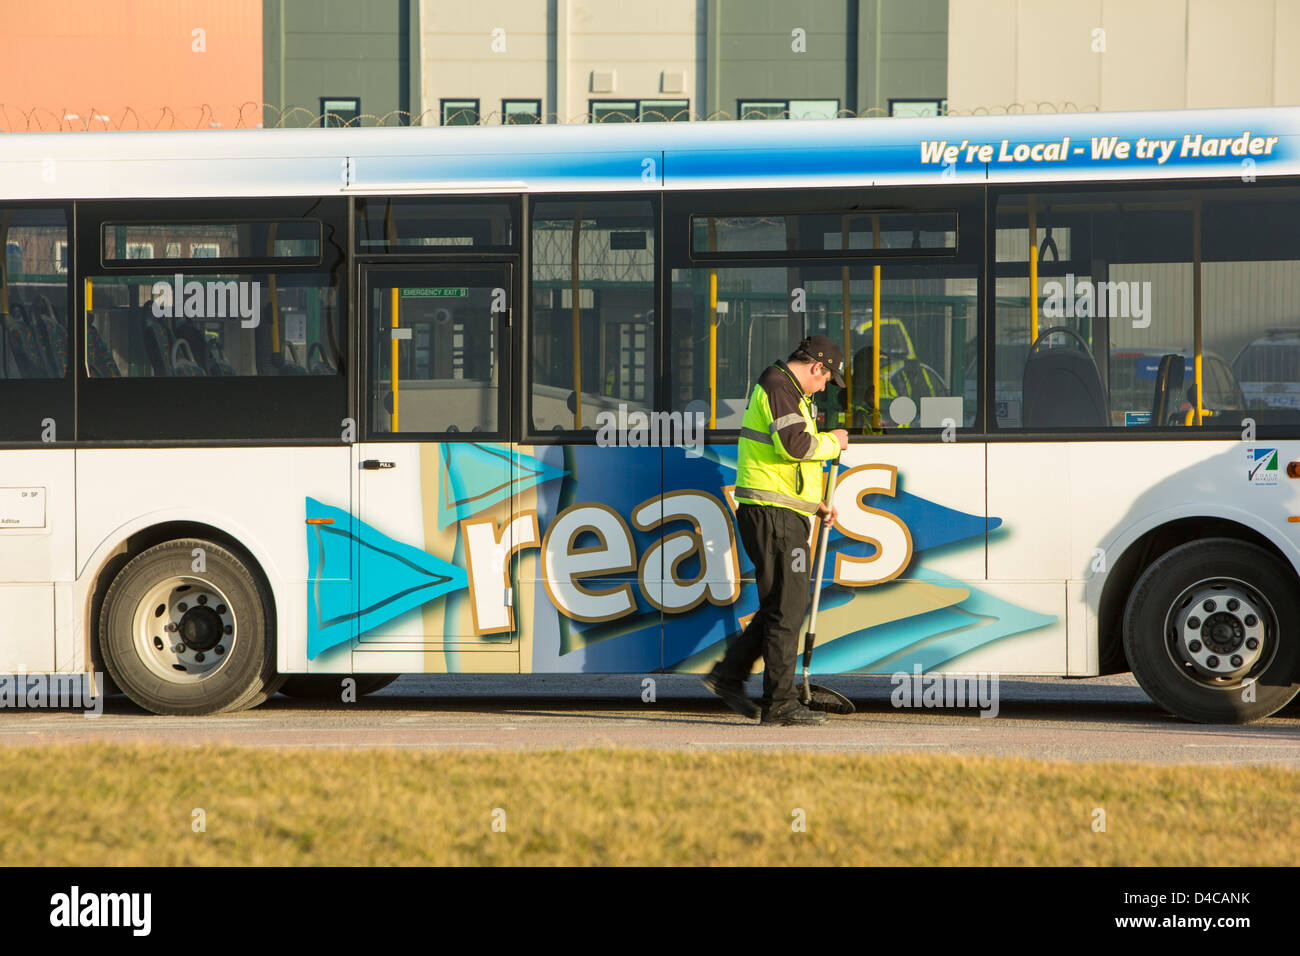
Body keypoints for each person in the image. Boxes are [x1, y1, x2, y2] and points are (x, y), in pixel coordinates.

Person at [702, 335, 849, 725]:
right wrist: (833, 443)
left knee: (777, 606)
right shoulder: (779, 386)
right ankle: (780, 702)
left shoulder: (785, 389)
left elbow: (782, 459)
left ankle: (728, 676)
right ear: (817, 367)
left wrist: (811, 503)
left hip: (778, 512)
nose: (824, 388)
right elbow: (796, 447)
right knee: (788, 608)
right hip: (774, 517)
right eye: (826, 380)